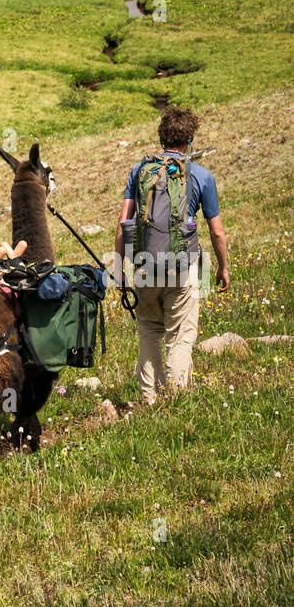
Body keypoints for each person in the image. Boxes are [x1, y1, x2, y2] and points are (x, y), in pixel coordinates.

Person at [114, 105, 229, 404]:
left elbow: (122, 224)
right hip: (182, 267)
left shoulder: (140, 172)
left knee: (150, 330)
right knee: (179, 334)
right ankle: (175, 402)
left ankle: (150, 399)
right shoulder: (201, 176)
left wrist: (119, 271)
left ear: (162, 137)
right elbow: (216, 232)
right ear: (189, 137)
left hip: (143, 266)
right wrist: (222, 268)